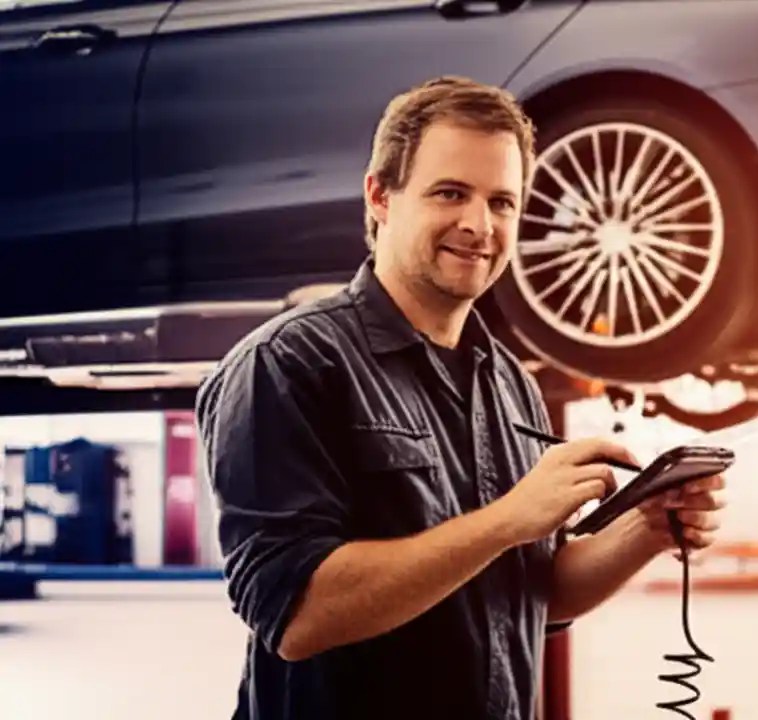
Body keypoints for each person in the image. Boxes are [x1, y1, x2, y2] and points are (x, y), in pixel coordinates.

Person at [194, 75, 727, 720]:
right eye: (451, 193)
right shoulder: (287, 364)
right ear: (380, 196)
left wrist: (647, 530)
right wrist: (507, 519)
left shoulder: (509, 384)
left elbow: (534, 593)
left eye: (502, 202)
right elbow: (297, 614)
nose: (479, 225)